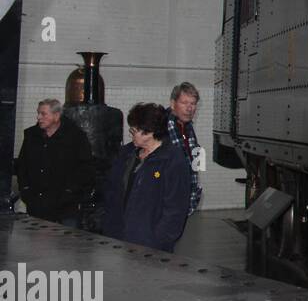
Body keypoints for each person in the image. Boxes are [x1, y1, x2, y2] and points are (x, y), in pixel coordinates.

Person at [103, 103, 192, 252]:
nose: (131, 134)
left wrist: (159, 240)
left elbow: (176, 209)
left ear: (150, 132)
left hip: (150, 245)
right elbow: (112, 189)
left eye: (135, 130)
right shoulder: (127, 153)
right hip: (118, 238)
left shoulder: (172, 160)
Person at [15, 98, 94, 227]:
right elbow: (22, 166)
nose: (38, 117)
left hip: (65, 207)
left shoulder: (76, 137)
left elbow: (85, 169)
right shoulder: (31, 136)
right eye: (38, 113)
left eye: (43, 114)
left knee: (66, 243)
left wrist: (70, 192)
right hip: (37, 205)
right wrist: (25, 190)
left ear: (56, 116)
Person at [166, 81, 203, 217]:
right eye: (184, 103)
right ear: (173, 103)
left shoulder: (187, 127)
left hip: (185, 201)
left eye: (193, 104)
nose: (189, 108)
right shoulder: (162, 127)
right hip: (168, 202)